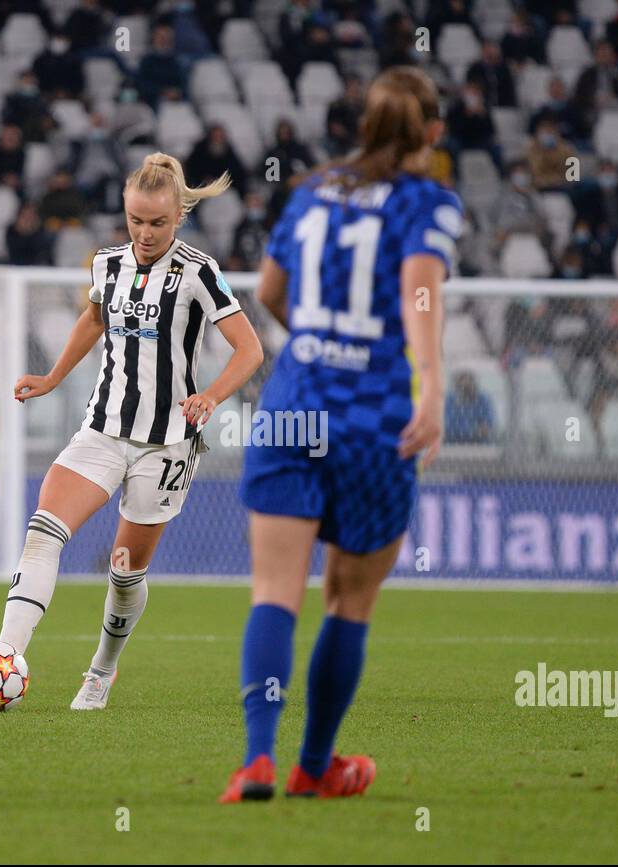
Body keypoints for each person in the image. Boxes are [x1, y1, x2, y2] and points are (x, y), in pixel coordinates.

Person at [0, 153, 263, 713]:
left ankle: (102, 670)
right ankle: (6, 655)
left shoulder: (199, 272)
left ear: (179, 217)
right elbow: (93, 319)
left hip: (166, 443)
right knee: (43, 532)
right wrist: (52, 377)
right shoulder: (107, 264)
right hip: (103, 430)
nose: (146, 232)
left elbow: (250, 349)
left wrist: (210, 395)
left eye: (158, 222)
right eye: (136, 220)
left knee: (124, 569)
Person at [220, 66, 460, 802]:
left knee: (273, 591)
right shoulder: (428, 201)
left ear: (364, 127)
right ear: (432, 133)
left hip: (294, 401)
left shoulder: (311, 191)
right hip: (374, 416)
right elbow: (420, 287)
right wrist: (429, 381)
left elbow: (268, 291)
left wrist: (321, 342)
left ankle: (257, 759)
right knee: (348, 602)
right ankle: (314, 767)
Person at [445, 371, 494, 444]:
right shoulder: (449, 400)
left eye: (469, 378)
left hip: (480, 446)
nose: (466, 382)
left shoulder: (483, 399)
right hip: (451, 445)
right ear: (456, 381)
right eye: (462, 378)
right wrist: (474, 429)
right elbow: (447, 427)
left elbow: (487, 427)